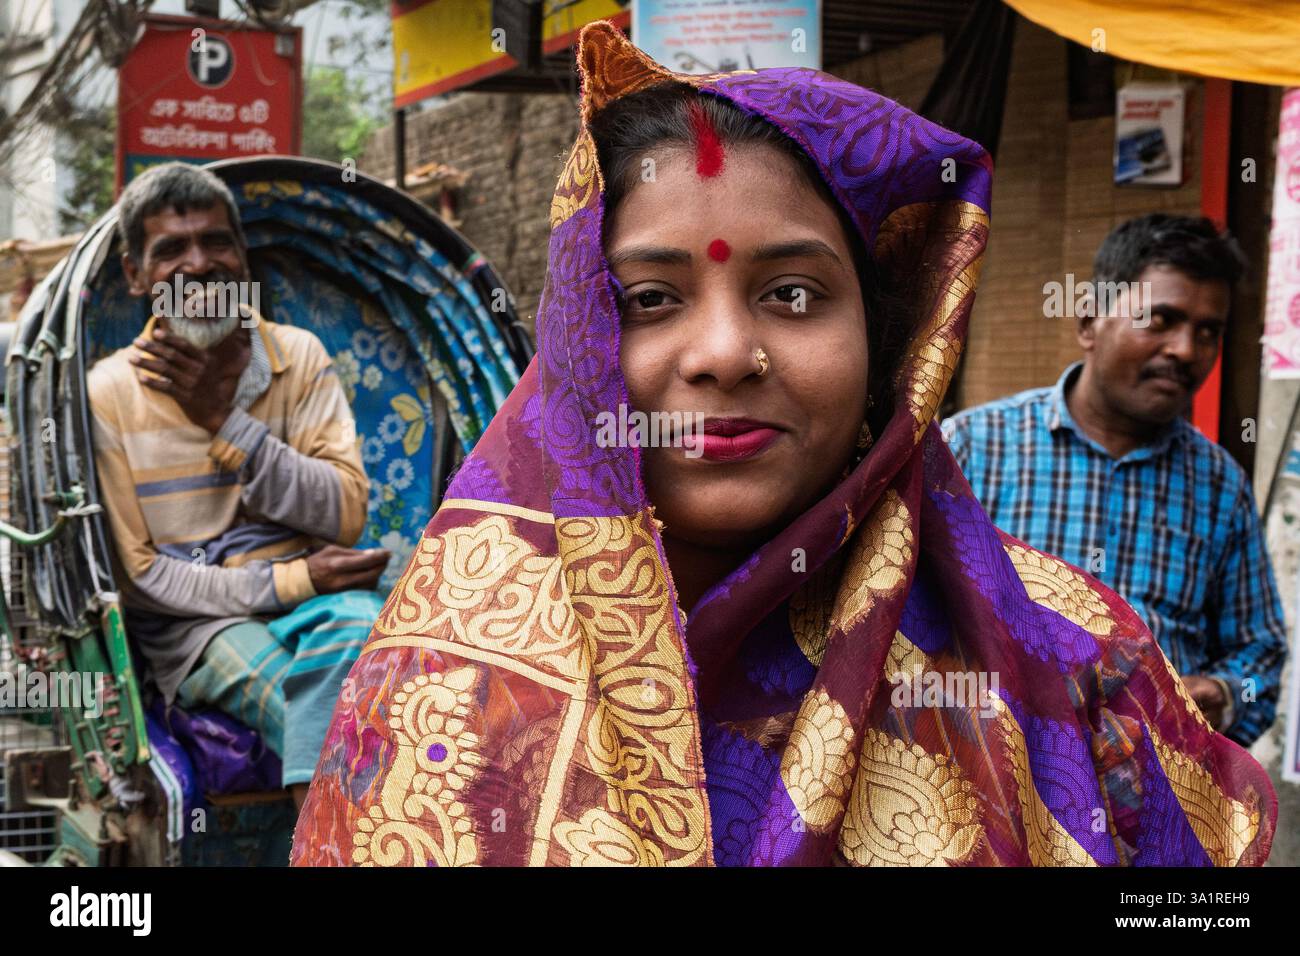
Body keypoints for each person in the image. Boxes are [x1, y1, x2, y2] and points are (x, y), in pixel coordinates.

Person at [290, 23, 1276, 866]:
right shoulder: (433, 681)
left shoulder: (1083, 662)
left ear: (892, 355)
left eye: (792, 293)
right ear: (577, 348)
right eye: (650, 298)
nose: (723, 351)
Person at [88, 162, 392, 808]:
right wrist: (297, 580)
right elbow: (143, 579)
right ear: (136, 276)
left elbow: (344, 515)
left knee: (373, 648)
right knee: (310, 701)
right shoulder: (110, 394)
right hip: (197, 626)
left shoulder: (296, 356)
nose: (199, 265)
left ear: (242, 256)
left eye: (216, 242)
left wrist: (224, 421)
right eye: (171, 249)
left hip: (319, 596)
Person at [944, 214, 1288, 749]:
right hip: (993, 790)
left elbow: (1259, 654)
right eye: (1160, 319)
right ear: (1088, 322)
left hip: (1153, 806)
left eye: (1207, 331)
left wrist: (1220, 693)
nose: (1185, 350)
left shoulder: (1219, 485)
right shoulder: (974, 447)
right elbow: (898, 613)